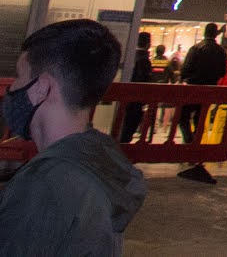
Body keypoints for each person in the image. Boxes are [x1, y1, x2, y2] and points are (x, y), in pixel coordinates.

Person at [0, 18, 148, 256]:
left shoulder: (46, 183)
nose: (13, 88)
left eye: (20, 76)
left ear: (42, 87)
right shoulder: (98, 155)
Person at [176, 23, 227, 144]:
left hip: (193, 86)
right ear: (216, 34)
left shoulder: (196, 48)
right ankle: (196, 141)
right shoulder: (221, 51)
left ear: (205, 33)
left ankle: (188, 140)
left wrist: (184, 78)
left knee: (183, 116)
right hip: (210, 88)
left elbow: (186, 68)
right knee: (200, 117)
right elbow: (223, 72)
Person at [115, 32, 154, 146]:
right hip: (136, 101)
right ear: (148, 44)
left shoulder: (130, 56)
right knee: (129, 127)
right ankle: (123, 150)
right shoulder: (144, 60)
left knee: (124, 125)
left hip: (126, 98)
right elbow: (143, 79)